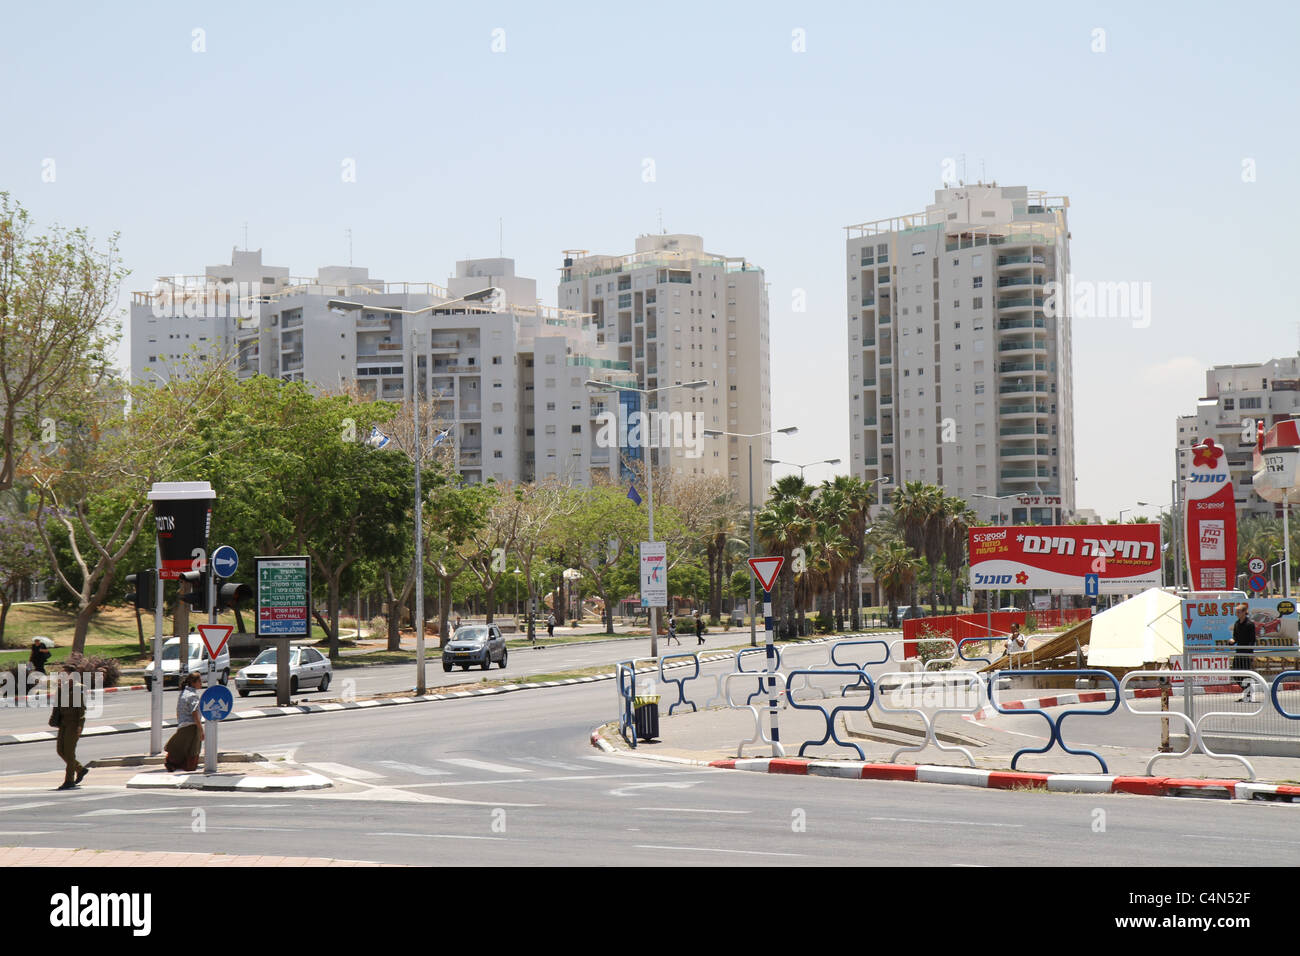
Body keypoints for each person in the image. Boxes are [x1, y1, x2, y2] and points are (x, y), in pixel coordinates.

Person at [51, 667, 88, 791]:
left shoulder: (79, 688)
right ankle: (80, 769)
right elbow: (57, 706)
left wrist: (80, 725)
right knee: (60, 750)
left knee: (69, 752)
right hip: (63, 723)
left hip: (73, 723)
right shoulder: (61, 688)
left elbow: (81, 708)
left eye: (64, 674)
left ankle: (69, 780)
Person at [164, 672, 205, 772]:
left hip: (182, 725)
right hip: (191, 727)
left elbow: (178, 710)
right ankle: (186, 767)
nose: (201, 683)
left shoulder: (183, 693)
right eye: (199, 681)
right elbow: (195, 713)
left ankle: (172, 764)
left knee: (179, 747)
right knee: (193, 750)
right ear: (193, 682)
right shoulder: (192, 696)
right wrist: (200, 729)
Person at [1233, 604, 1257, 703]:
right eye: (1236, 612)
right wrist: (1232, 641)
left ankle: (1248, 695)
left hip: (1246, 653)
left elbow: (1252, 640)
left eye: (1239, 612)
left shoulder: (1250, 624)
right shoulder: (1237, 623)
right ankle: (1247, 692)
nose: (1237, 614)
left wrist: (1251, 654)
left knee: (1246, 674)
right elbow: (1236, 638)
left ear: (1244, 612)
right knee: (1236, 673)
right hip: (1239, 652)